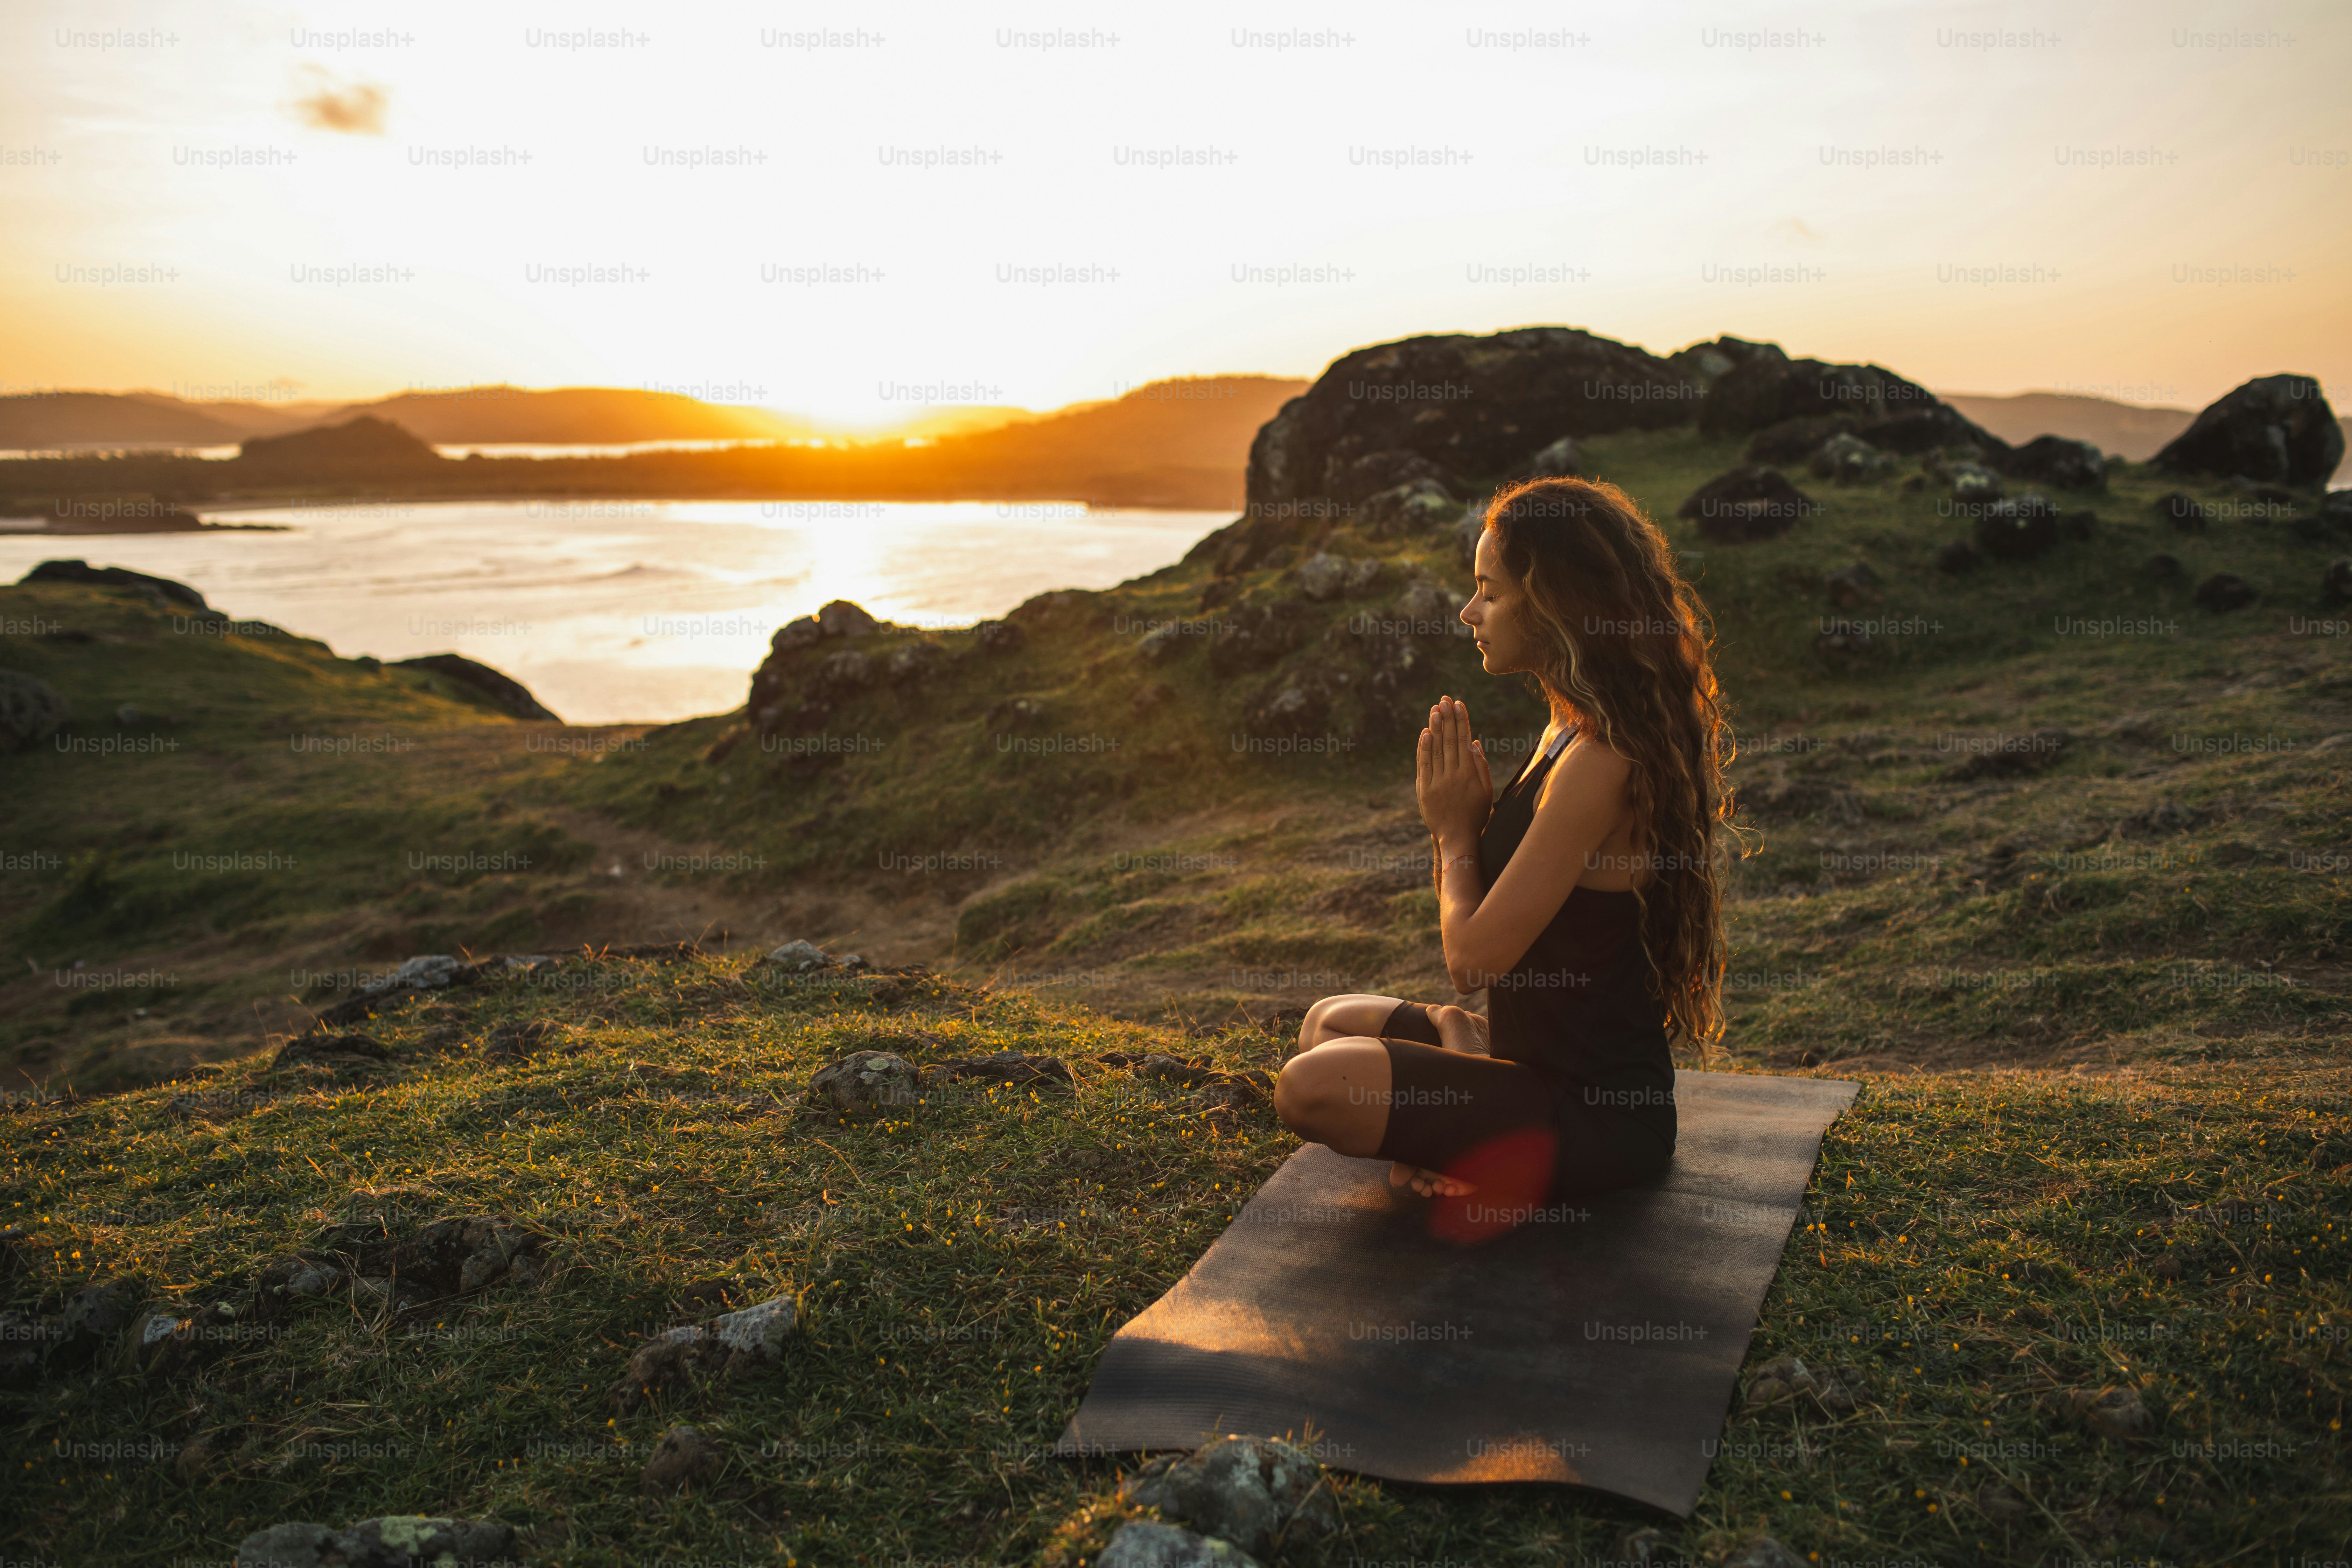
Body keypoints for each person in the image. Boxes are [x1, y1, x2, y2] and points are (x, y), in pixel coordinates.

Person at [1272, 476, 1731, 1224]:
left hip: (1595, 1114)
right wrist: (1458, 1030)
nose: (1469, 611)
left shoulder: (1602, 760)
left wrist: (1454, 831)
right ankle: (1467, 1071)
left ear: (1553, 602)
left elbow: (1474, 961)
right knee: (1328, 1020)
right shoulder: (1568, 726)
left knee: (1313, 1086)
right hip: (1523, 1059)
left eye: (1490, 590)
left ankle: (1473, 1129)